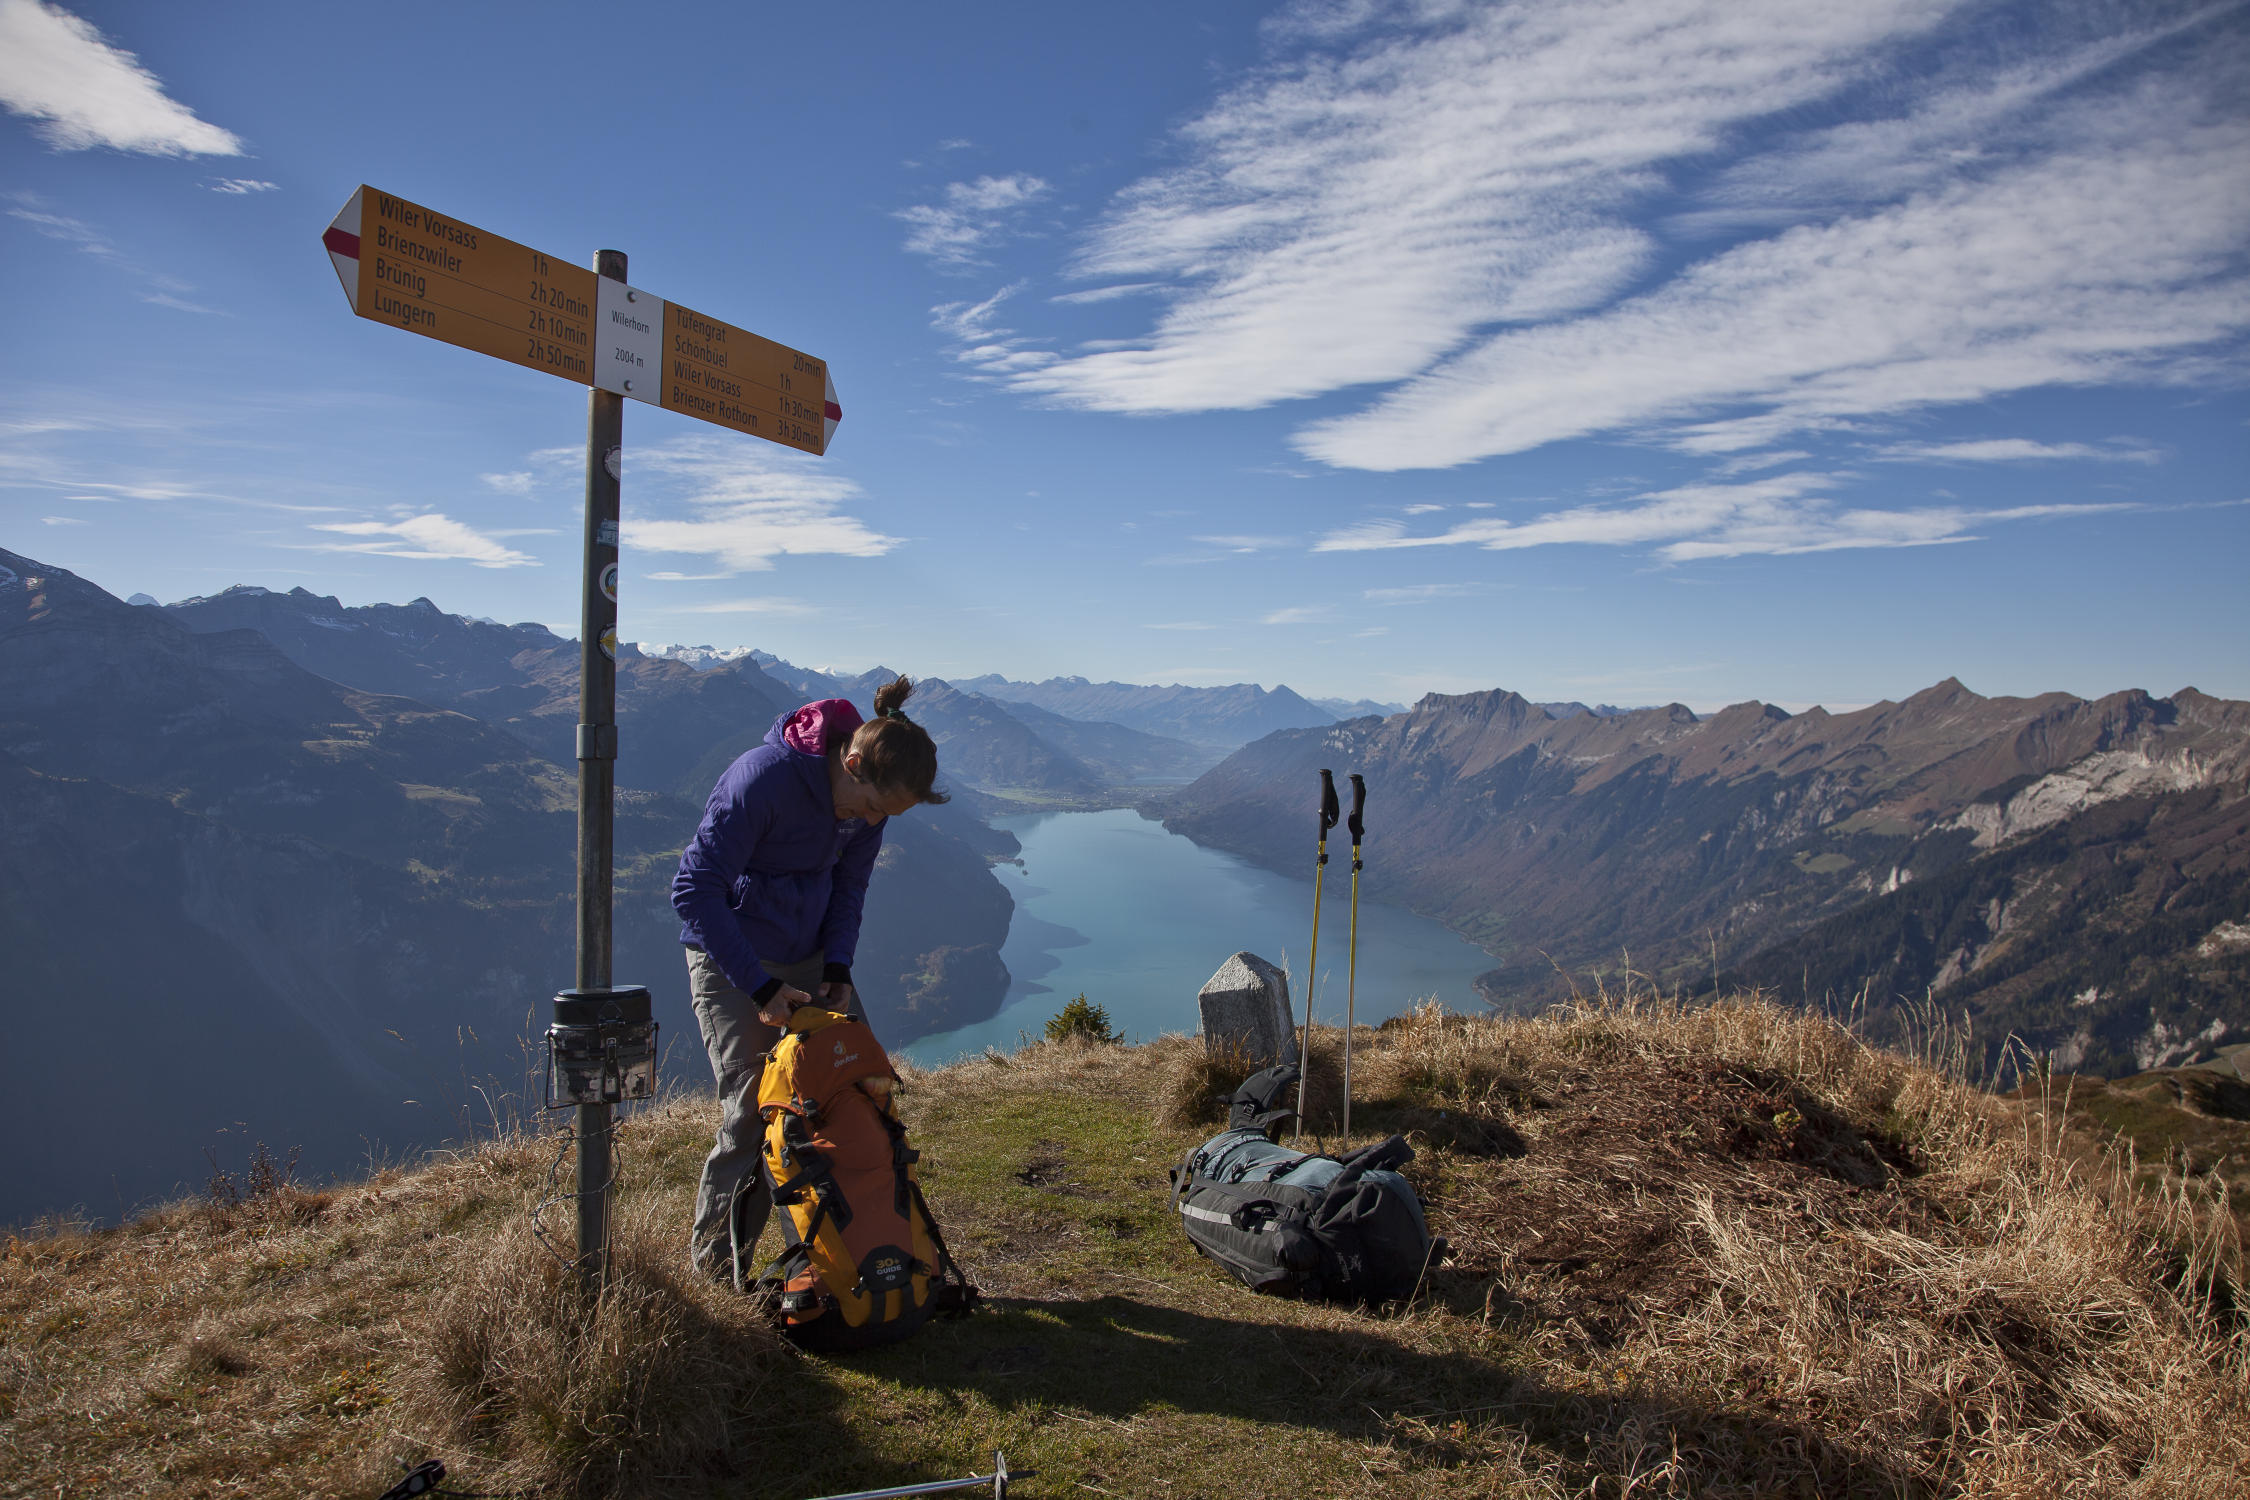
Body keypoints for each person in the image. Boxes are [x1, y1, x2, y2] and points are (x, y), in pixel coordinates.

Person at [671, 675, 946, 1281]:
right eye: (873, 807)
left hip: (808, 957)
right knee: (751, 1116)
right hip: (732, 956)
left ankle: (853, 1258)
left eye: (887, 816)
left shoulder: (869, 809)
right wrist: (761, 989)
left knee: (861, 1091)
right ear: (851, 762)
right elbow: (694, 890)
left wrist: (838, 967)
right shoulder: (762, 779)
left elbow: (849, 888)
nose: (872, 821)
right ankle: (722, 1275)